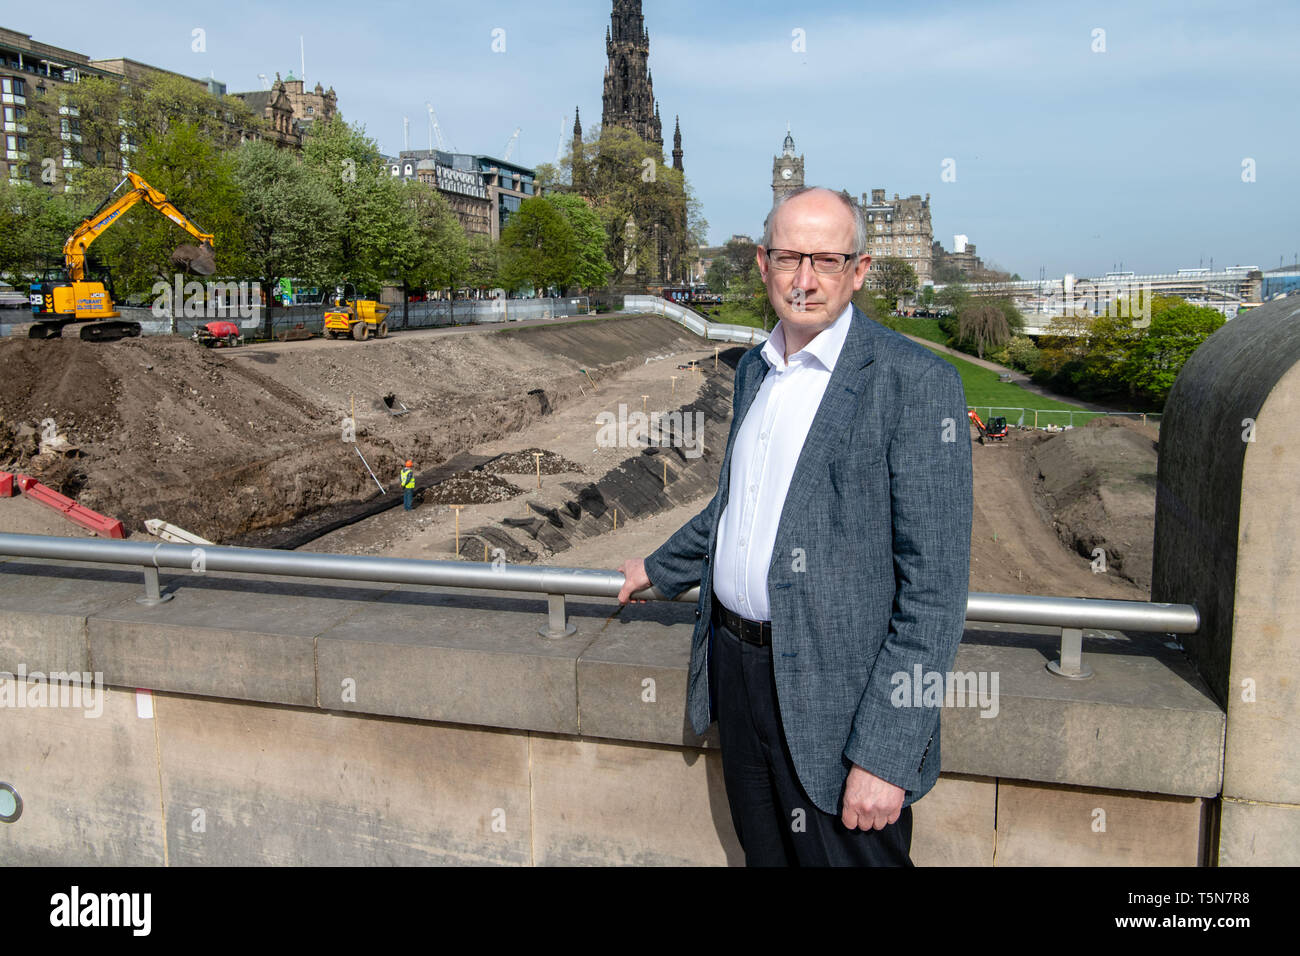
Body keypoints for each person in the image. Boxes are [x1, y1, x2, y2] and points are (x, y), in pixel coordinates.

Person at [616, 186, 972, 866]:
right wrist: (659, 569)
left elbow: (934, 593)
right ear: (762, 264)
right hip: (738, 673)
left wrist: (887, 754)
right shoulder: (755, 367)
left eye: (826, 260)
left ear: (859, 271)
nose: (804, 280)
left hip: (837, 701)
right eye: (788, 258)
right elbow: (740, 507)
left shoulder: (915, 383)